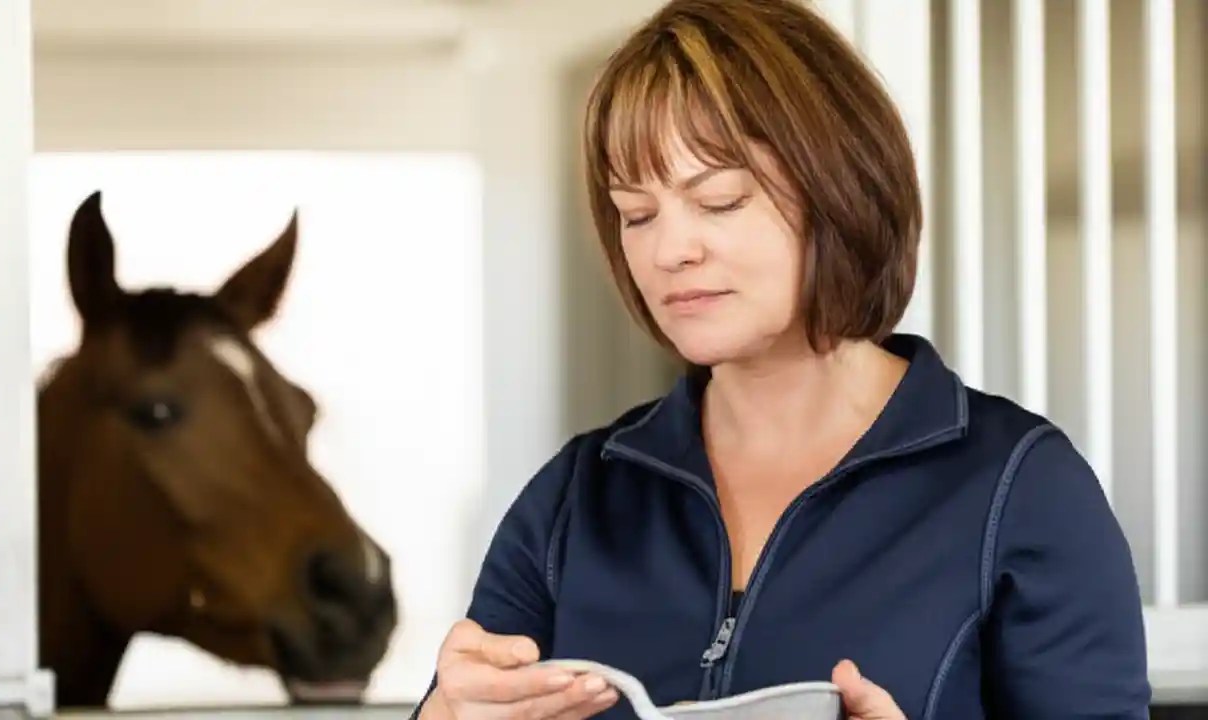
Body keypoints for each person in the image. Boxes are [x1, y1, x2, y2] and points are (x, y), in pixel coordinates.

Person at [413, 0, 1151, 718]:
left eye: (722, 201)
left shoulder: (1022, 489)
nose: (670, 250)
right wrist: (448, 712)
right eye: (636, 213)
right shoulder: (577, 499)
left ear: (841, 189)